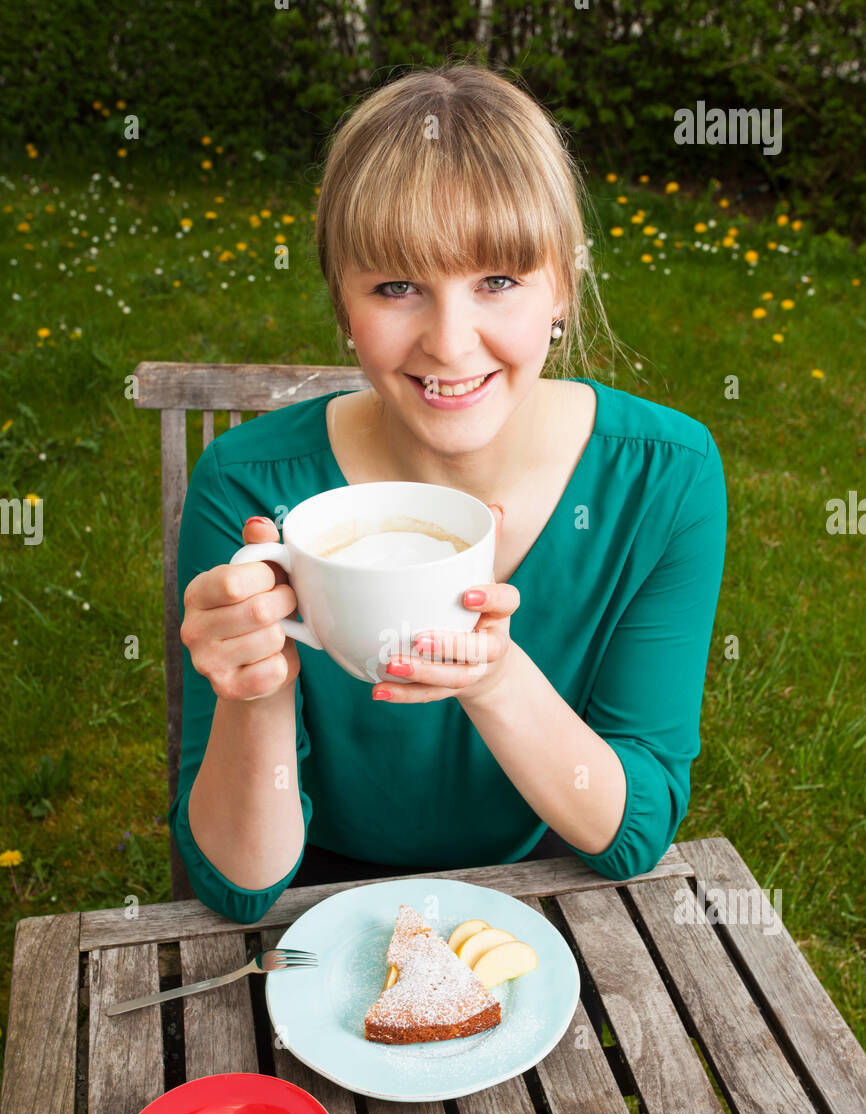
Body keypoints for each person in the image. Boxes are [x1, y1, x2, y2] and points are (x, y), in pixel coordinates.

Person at [169, 61, 726, 925]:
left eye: (498, 281)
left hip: (551, 890)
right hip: (319, 903)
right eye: (396, 287)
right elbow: (240, 886)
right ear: (343, 308)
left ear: (563, 290)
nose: (452, 343)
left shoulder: (666, 477)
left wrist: (494, 679)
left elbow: (631, 831)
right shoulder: (247, 489)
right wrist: (257, 691)